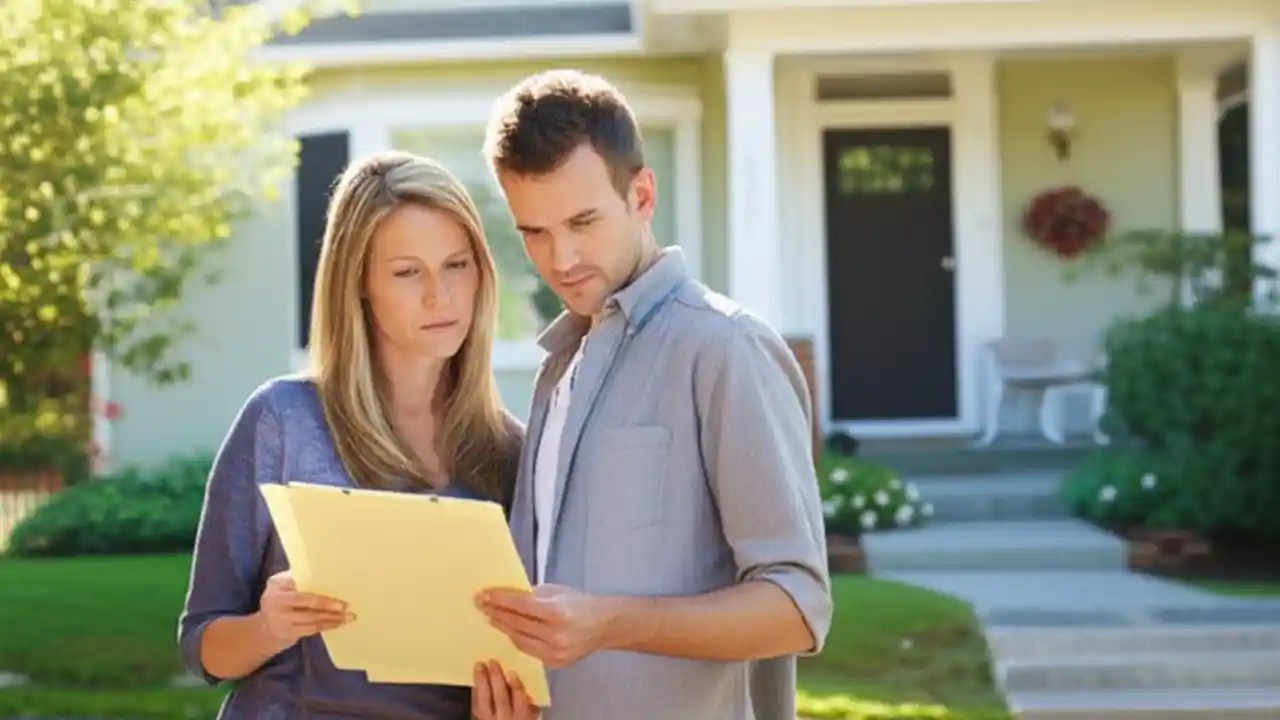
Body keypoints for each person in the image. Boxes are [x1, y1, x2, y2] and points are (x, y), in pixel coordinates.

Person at [474, 70, 833, 719]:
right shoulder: (558, 367)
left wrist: (610, 622)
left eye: (584, 220)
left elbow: (797, 607)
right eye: (535, 232)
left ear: (642, 195)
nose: (561, 258)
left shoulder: (725, 350)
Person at [177, 151, 538, 720]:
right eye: (406, 272)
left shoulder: (511, 454)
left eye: (456, 265)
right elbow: (204, 646)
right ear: (360, 285)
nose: (439, 296)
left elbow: (525, 653)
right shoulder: (282, 421)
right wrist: (268, 628)